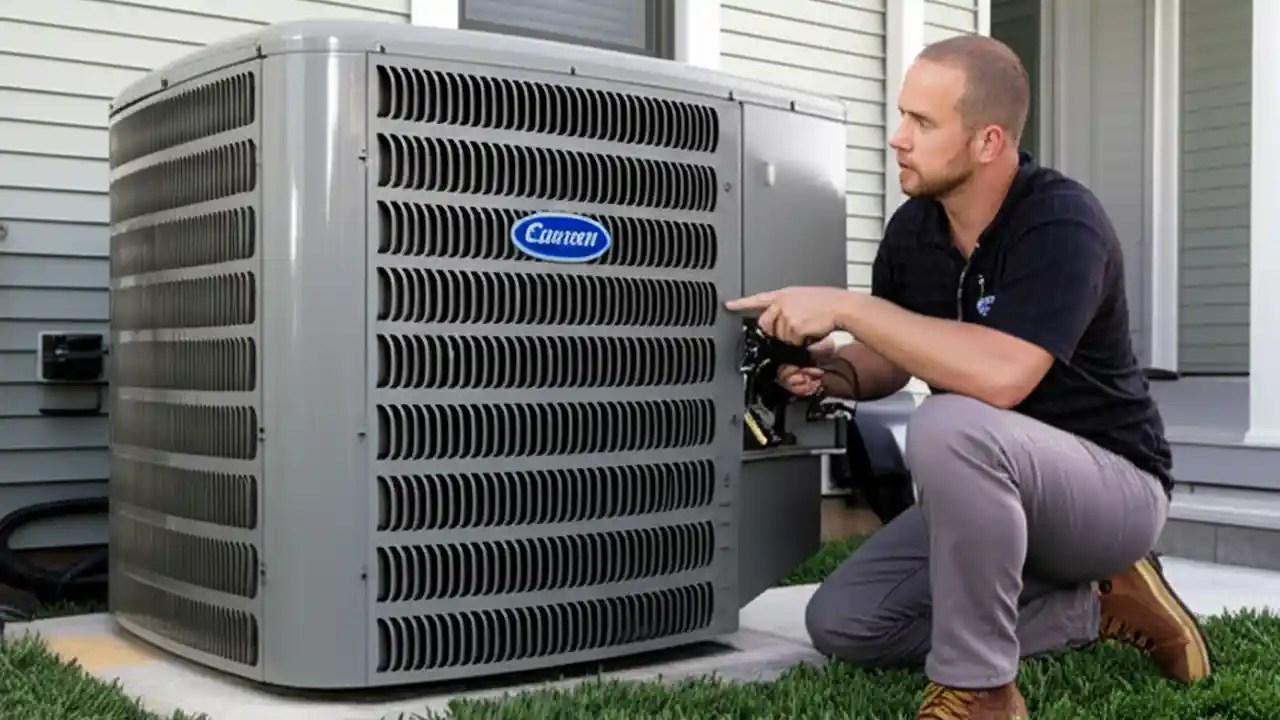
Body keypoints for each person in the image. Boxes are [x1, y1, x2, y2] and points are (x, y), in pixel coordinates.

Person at [726, 35, 1213, 720]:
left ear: (988, 142)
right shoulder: (912, 231)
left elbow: (1002, 376)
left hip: (1111, 493)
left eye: (922, 123)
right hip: (991, 488)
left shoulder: (1061, 221)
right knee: (844, 622)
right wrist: (834, 373)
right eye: (901, 115)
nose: (898, 138)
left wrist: (845, 305)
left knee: (951, 422)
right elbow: (896, 359)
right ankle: (1092, 606)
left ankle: (982, 688)